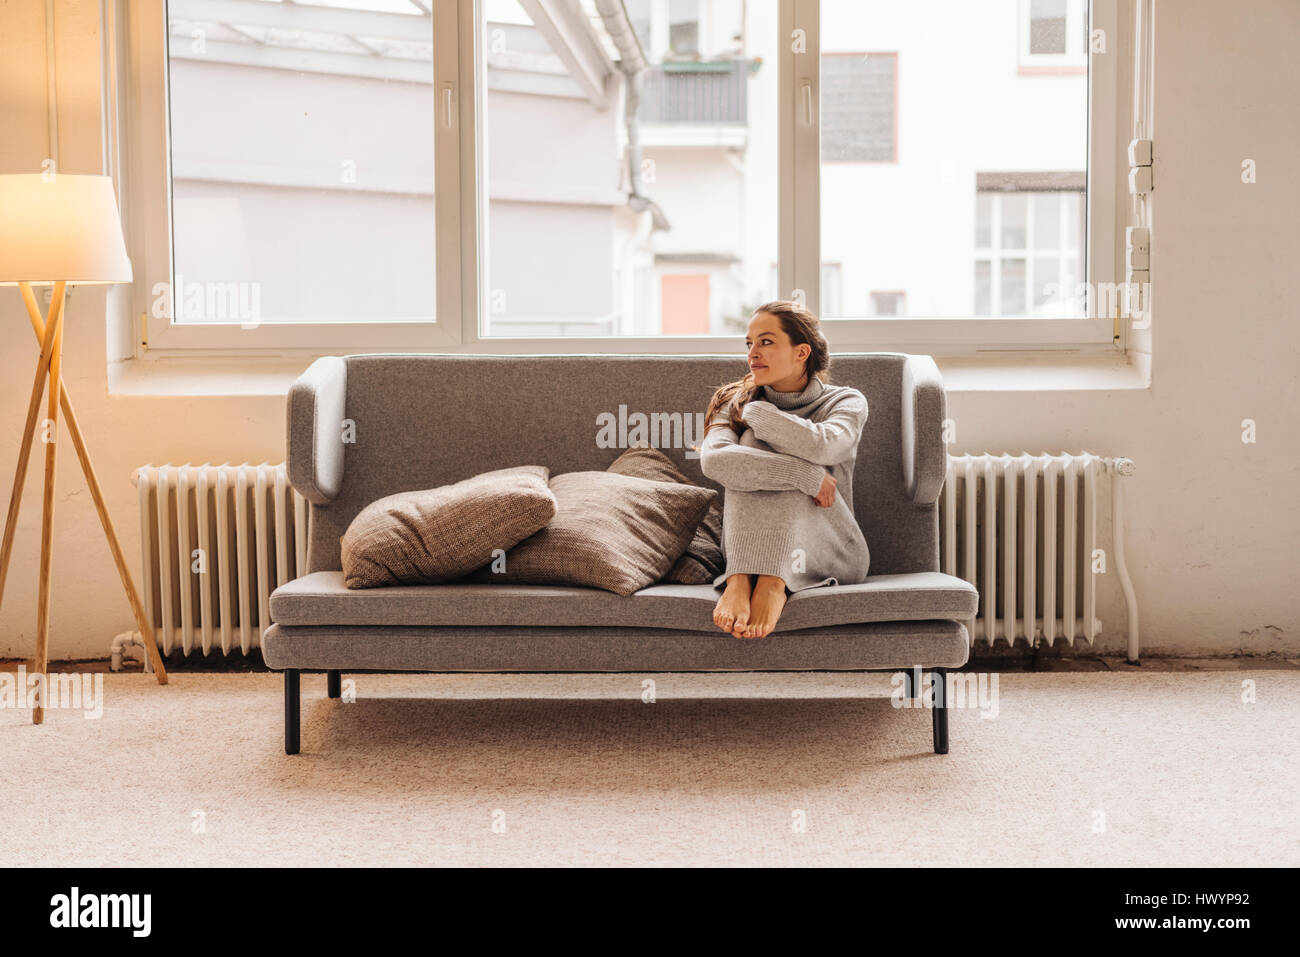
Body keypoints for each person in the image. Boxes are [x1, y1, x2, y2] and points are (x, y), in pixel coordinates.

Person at [698, 300, 871, 638]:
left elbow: (823, 445)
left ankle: (773, 582)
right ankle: (740, 578)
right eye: (749, 343)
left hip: (832, 546)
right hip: (746, 549)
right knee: (747, 450)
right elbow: (714, 459)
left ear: (801, 352)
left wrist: (759, 415)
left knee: (757, 442)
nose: (752, 354)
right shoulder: (734, 401)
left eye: (766, 342)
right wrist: (805, 476)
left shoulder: (845, 402)